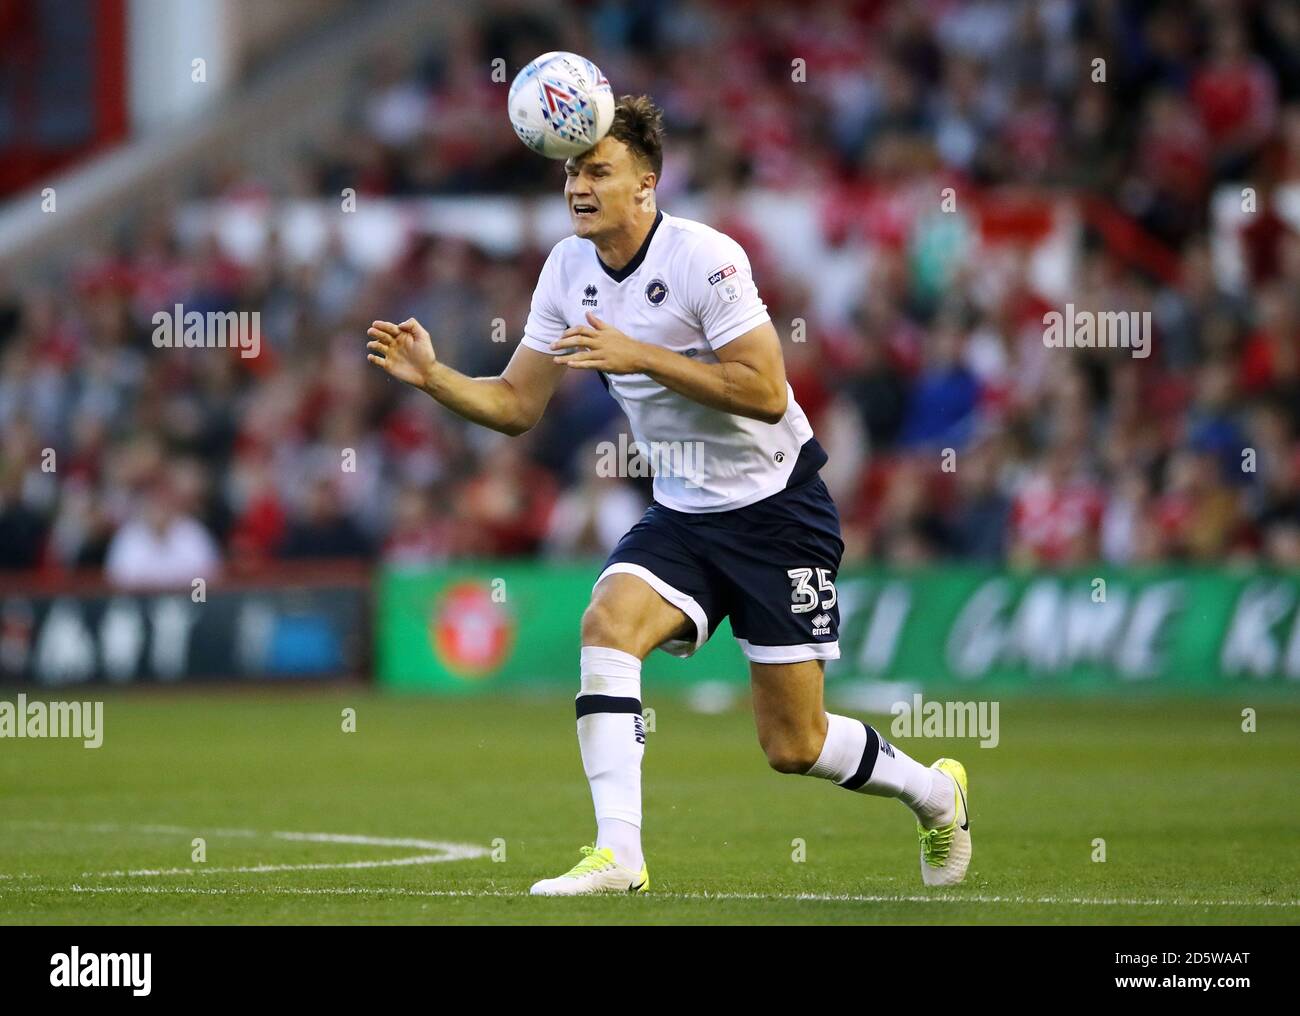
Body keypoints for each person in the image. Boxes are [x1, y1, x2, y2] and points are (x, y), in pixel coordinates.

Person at [365, 95, 969, 895]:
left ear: (646, 185)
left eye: (599, 171)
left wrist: (641, 354)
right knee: (607, 623)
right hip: (682, 513)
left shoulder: (704, 258)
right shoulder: (567, 269)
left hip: (777, 510)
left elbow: (766, 391)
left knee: (794, 744)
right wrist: (435, 377)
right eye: (572, 172)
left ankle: (935, 793)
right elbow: (515, 406)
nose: (579, 186)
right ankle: (619, 853)